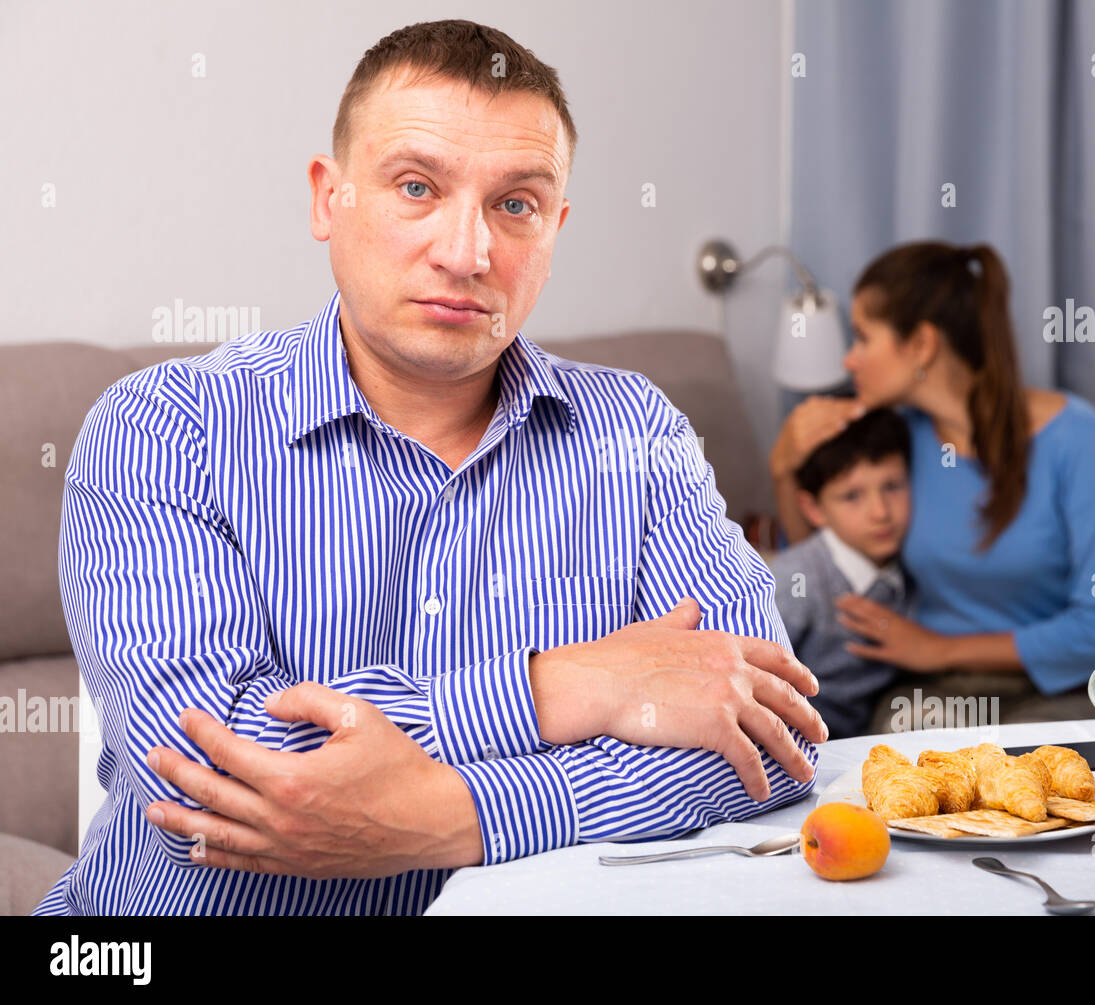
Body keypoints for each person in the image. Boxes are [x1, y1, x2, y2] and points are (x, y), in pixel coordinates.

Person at [34, 19, 827, 917]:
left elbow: (767, 738)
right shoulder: (162, 429)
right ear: (328, 198)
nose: (467, 252)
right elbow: (213, 774)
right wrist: (572, 685)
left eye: (515, 205)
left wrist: (452, 819)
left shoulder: (636, 433)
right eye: (417, 187)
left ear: (555, 227)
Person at [768, 241, 1095, 733]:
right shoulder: (899, 444)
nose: (849, 360)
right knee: (913, 772)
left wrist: (934, 647)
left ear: (921, 344)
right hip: (934, 694)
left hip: (1058, 689)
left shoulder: (1077, 439)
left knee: (1037, 777)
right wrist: (784, 466)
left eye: (862, 338)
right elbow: (824, 555)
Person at [767, 407, 912, 739]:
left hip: (869, 743)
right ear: (813, 509)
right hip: (797, 745)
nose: (880, 513)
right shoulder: (795, 581)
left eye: (892, 486)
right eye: (852, 496)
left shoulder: (913, 565)